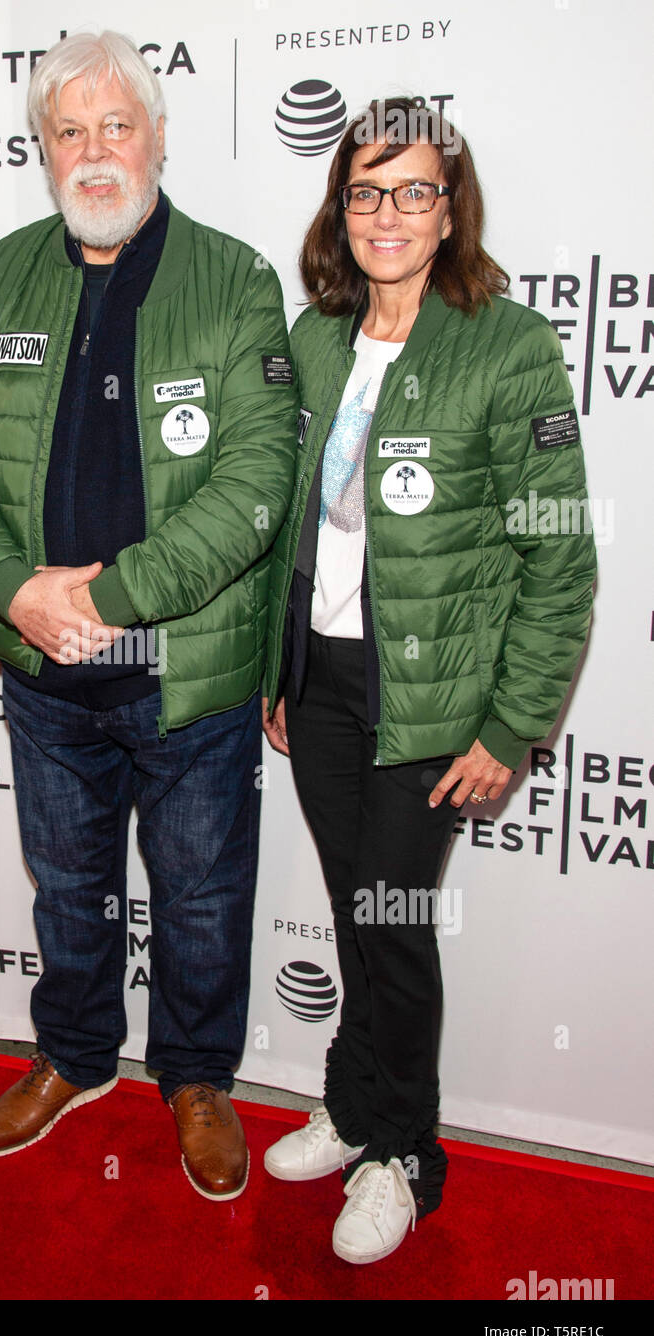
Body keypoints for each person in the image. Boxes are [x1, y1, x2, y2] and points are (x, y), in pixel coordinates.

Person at [0, 30, 297, 1200]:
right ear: (42, 150)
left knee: (198, 895)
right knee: (66, 886)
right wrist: (13, 589)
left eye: (115, 126)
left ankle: (194, 1078)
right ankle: (73, 1055)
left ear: (157, 135)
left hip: (183, 676)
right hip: (42, 675)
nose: (95, 153)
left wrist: (110, 595)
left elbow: (254, 483)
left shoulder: (234, 280)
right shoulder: (0, 277)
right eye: (69, 132)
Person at [261, 98, 596, 1260]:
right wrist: (279, 669)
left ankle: (405, 1150)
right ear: (338, 207)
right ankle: (355, 1104)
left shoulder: (502, 345)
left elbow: (558, 553)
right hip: (323, 681)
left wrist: (510, 724)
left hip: (435, 697)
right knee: (359, 912)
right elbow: (287, 531)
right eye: (364, 189)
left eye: (412, 190)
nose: (386, 212)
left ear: (448, 208)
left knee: (391, 920)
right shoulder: (315, 339)